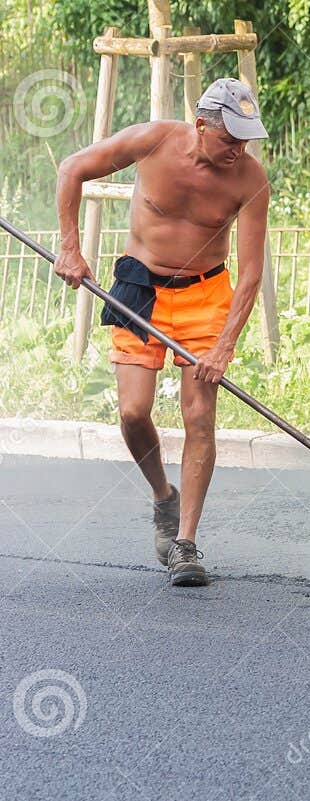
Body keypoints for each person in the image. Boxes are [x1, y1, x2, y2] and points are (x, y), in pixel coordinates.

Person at [53, 78, 270, 588]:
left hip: (205, 297)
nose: (240, 150)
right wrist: (69, 246)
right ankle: (162, 497)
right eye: (230, 139)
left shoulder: (250, 180)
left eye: (246, 140)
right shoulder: (152, 140)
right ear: (201, 127)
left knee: (199, 417)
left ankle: (186, 544)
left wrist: (224, 345)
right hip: (140, 286)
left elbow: (252, 270)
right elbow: (72, 169)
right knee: (132, 412)